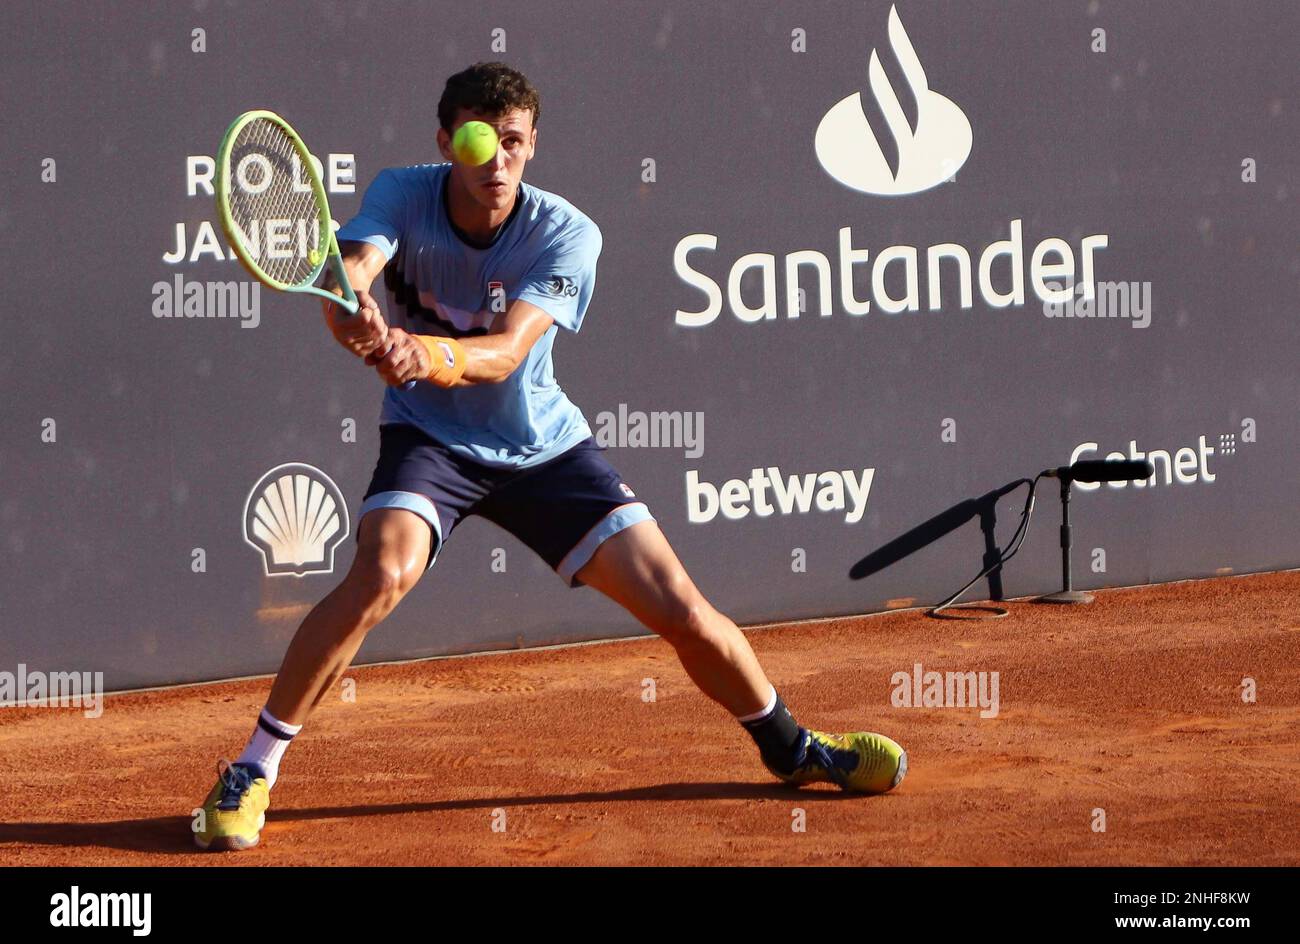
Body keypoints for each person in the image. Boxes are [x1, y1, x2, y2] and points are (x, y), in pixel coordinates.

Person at [194, 62, 905, 852]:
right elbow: (353, 271)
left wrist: (425, 353)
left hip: (542, 448)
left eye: (512, 142)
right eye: (475, 140)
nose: (494, 160)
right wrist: (354, 309)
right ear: (445, 143)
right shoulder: (402, 191)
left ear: (533, 146)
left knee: (681, 608)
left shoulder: (566, 232)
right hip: (430, 442)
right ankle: (253, 770)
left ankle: (793, 748)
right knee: (380, 575)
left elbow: (503, 352)